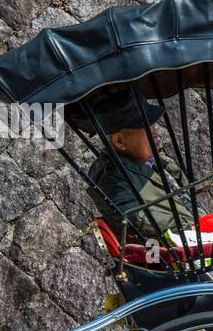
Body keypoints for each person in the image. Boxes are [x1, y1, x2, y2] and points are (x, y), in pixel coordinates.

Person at [76, 90, 196, 243]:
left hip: (202, 235)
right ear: (120, 142)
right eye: (145, 127)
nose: (155, 132)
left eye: (152, 125)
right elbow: (132, 218)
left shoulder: (155, 164)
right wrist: (187, 227)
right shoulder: (111, 178)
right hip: (177, 249)